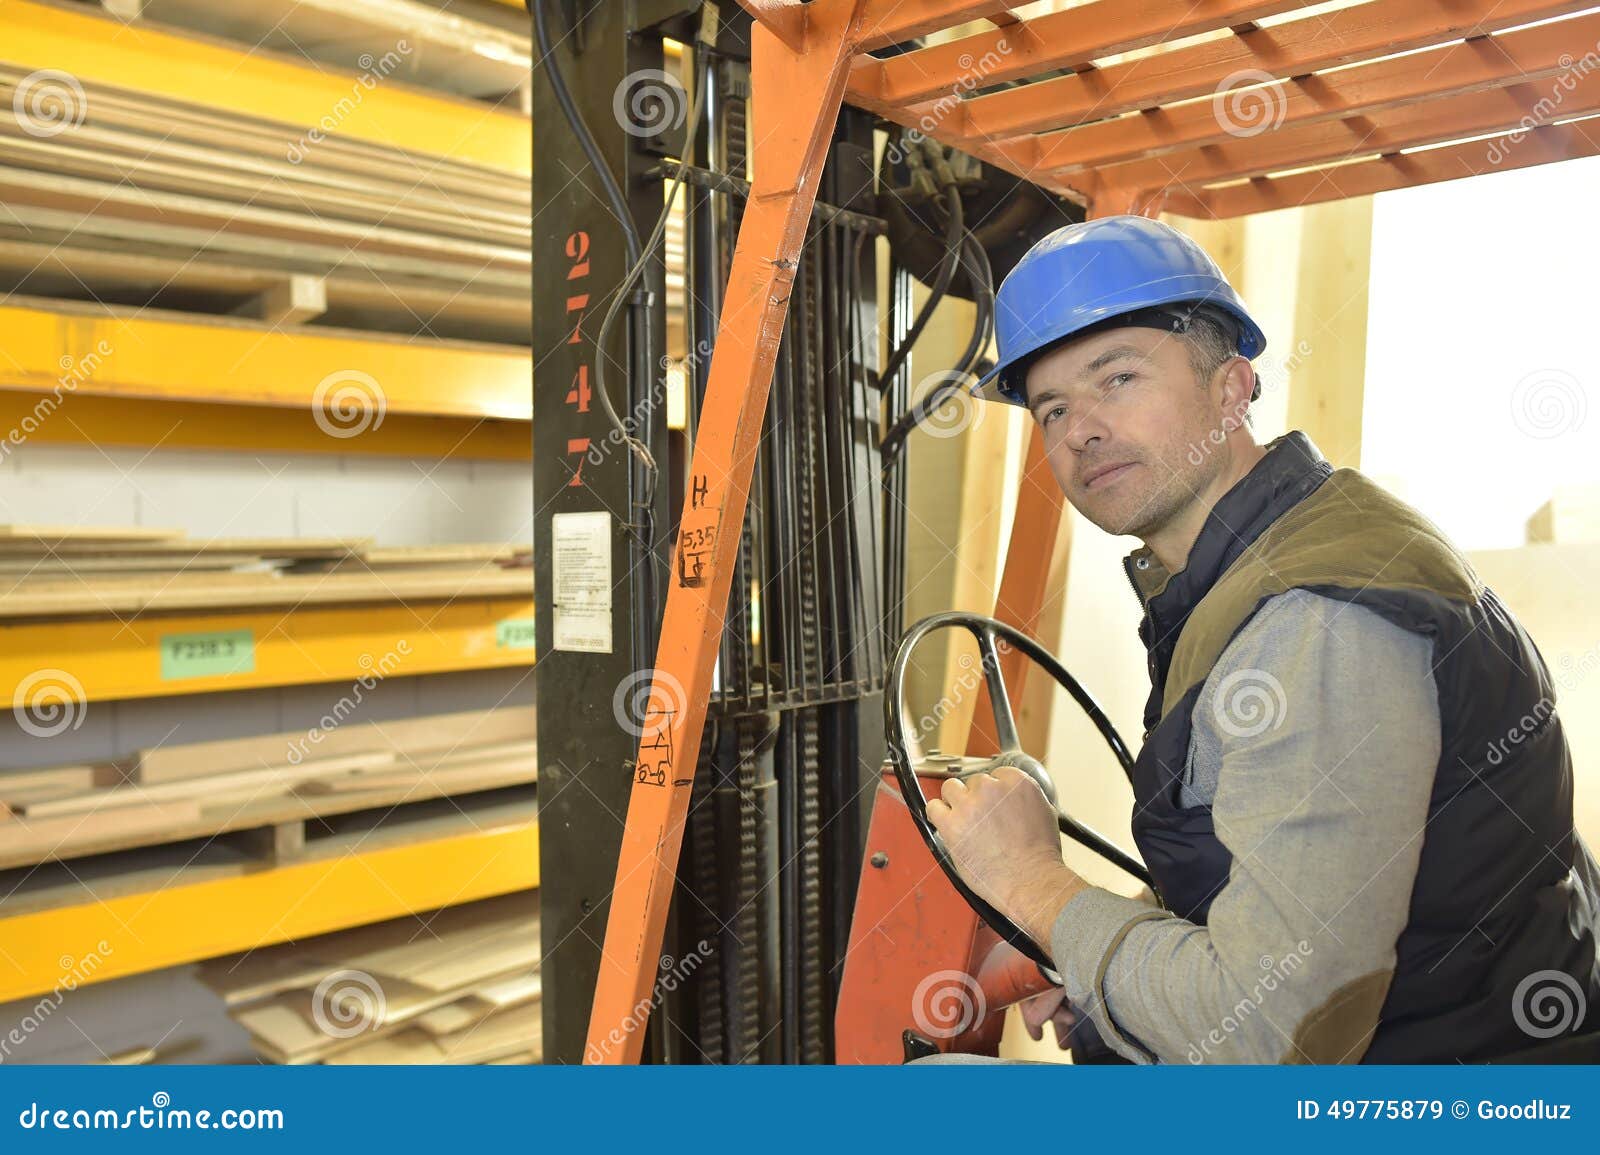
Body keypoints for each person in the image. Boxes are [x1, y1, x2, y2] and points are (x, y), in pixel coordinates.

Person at [924, 215, 1600, 1063]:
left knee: (934, 1087)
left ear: (1234, 387)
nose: (1079, 429)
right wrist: (1106, 963)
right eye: (1053, 407)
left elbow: (1270, 1032)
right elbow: (1256, 871)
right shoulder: (1258, 566)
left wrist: (1032, 884)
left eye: (1118, 378)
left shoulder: (1316, 618)